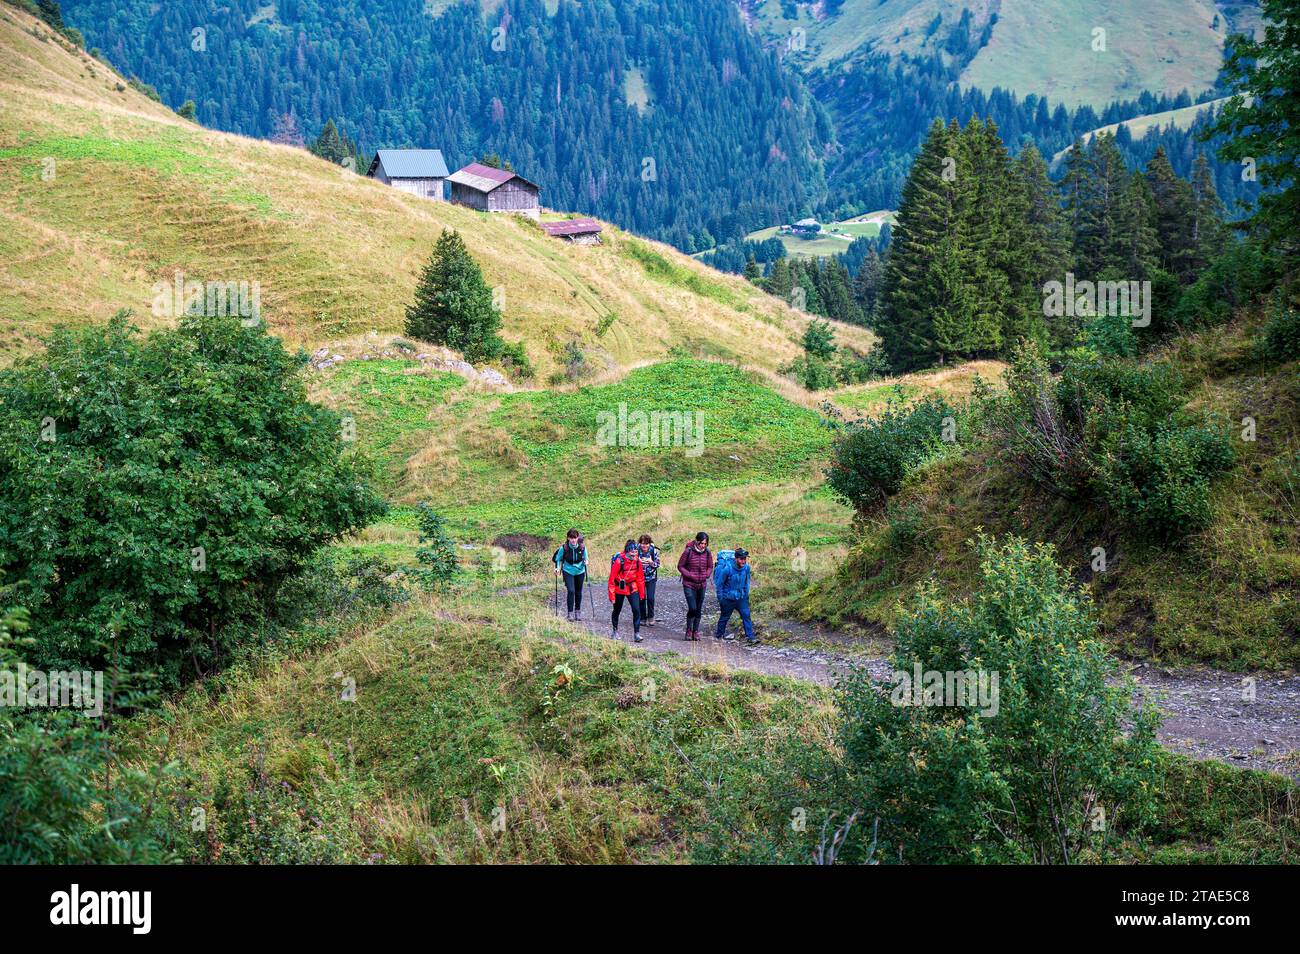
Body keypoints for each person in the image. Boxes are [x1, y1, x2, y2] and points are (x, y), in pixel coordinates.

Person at [715, 547, 758, 645]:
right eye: (741, 559)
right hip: (728, 598)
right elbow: (719, 584)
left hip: (741, 597)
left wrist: (746, 595)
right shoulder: (727, 569)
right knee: (724, 617)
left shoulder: (746, 568)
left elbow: (747, 583)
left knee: (746, 615)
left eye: (744, 559)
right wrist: (721, 599)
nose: (743, 561)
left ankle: (750, 637)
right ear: (736, 558)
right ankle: (719, 635)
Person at [676, 531, 713, 641]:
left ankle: (695, 631)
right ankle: (688, 630)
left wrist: (707, 574)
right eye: (701, 543)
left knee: (698, 609)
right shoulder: (688, 551)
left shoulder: (707, 552)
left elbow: (710, 566)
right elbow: (680, 566)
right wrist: (690, 575)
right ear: (696, 541)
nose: (703, 546)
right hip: (689, 584)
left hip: (702, 584)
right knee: (692, 607)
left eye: (705, 544)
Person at [608, 539, 647, 642]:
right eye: (632, 552)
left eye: (636, 552)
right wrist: (611, 596)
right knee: (617, 610)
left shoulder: (637, 561)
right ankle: (615, 631)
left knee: (636, 610)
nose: (635, 554)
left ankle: (636, 634)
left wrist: (642, 594)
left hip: (632, 588)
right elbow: (612, 579)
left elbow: (640, 579)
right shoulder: (619, 561)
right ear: (627, 551)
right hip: (619, 588)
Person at [553, 529, 587, 621]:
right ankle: (570, 613)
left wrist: (586, 561)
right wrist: (557, 568)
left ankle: (578, 612)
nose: (573, 540)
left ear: (577, 538)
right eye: (571, 538)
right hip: (568, 571)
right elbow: (558, 559)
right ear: (568, 538)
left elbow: (586, 557)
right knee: (571, 591)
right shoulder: (564, 548)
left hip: (580, 571)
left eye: (575, 538)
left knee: (578, 591)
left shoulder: (582, 547)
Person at [636, 534, 661, 626]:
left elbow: (657, 564)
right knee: (641, 598)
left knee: (650, 598)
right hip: (639, 578)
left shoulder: (654, 551)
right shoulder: (636, 550)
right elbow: (630, 563)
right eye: (643, 544)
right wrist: (637, 562)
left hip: (651, 577)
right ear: (640, 543)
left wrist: (651, 562)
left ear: (650, 544)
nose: (644, 546)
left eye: (646, 544)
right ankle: (642, 618)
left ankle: (651, 617)